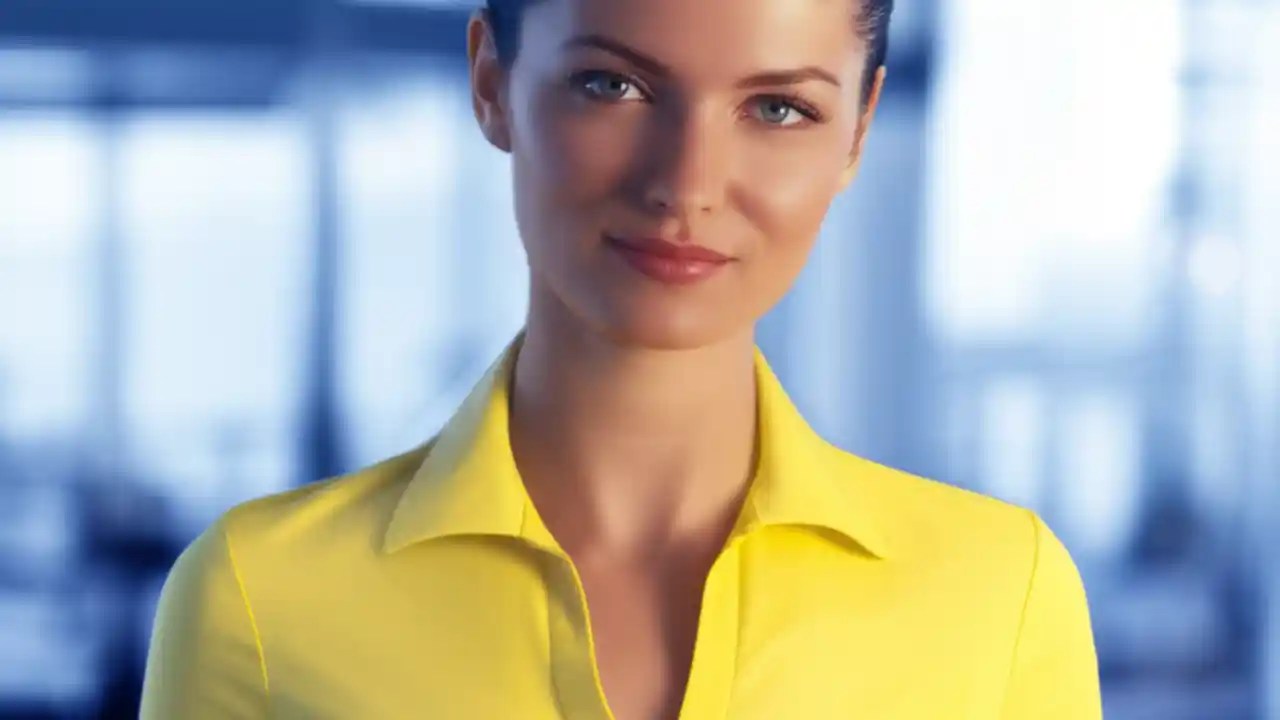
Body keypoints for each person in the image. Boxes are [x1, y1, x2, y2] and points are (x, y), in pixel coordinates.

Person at [140, 0, 1103, 717]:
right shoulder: (261, 603)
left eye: (777, 110)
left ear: (858, 128)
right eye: (614, 85)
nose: (685, 185)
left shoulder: (998, 600)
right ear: (492, 83)